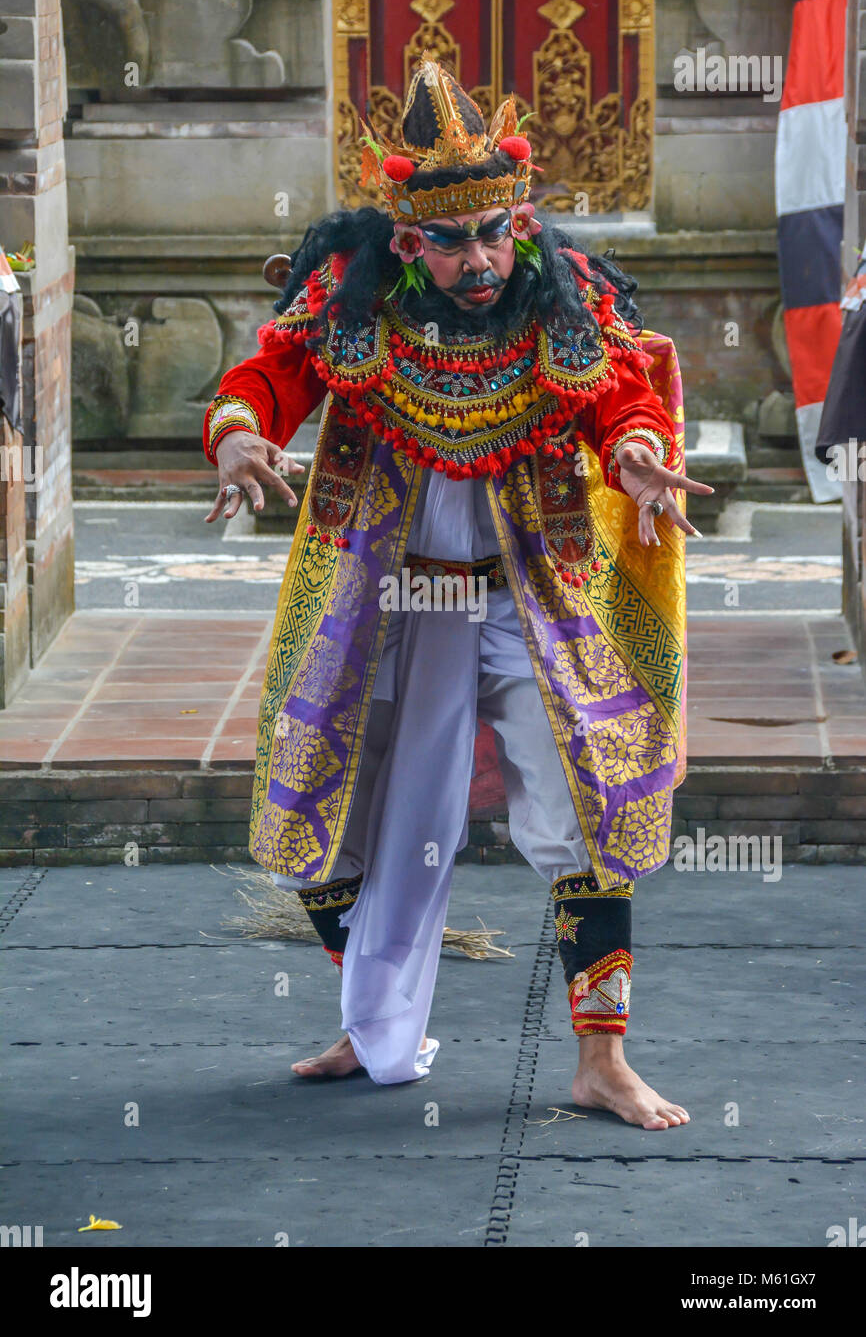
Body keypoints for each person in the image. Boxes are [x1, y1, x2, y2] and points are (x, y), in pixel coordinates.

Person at [202, 56, 712, 1129]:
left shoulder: (552, 303)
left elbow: (621, 397)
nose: (478, 260)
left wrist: (632, 456)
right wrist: (241, 433)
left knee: (584, 802)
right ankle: (369, 1019)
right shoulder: (353, 309)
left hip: (524, 600)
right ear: (404, 240)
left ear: (517, 222)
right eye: (451, 240)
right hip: (386, 603)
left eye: (495, 231)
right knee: (326, 803)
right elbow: (264, 376)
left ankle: (598, 1059)